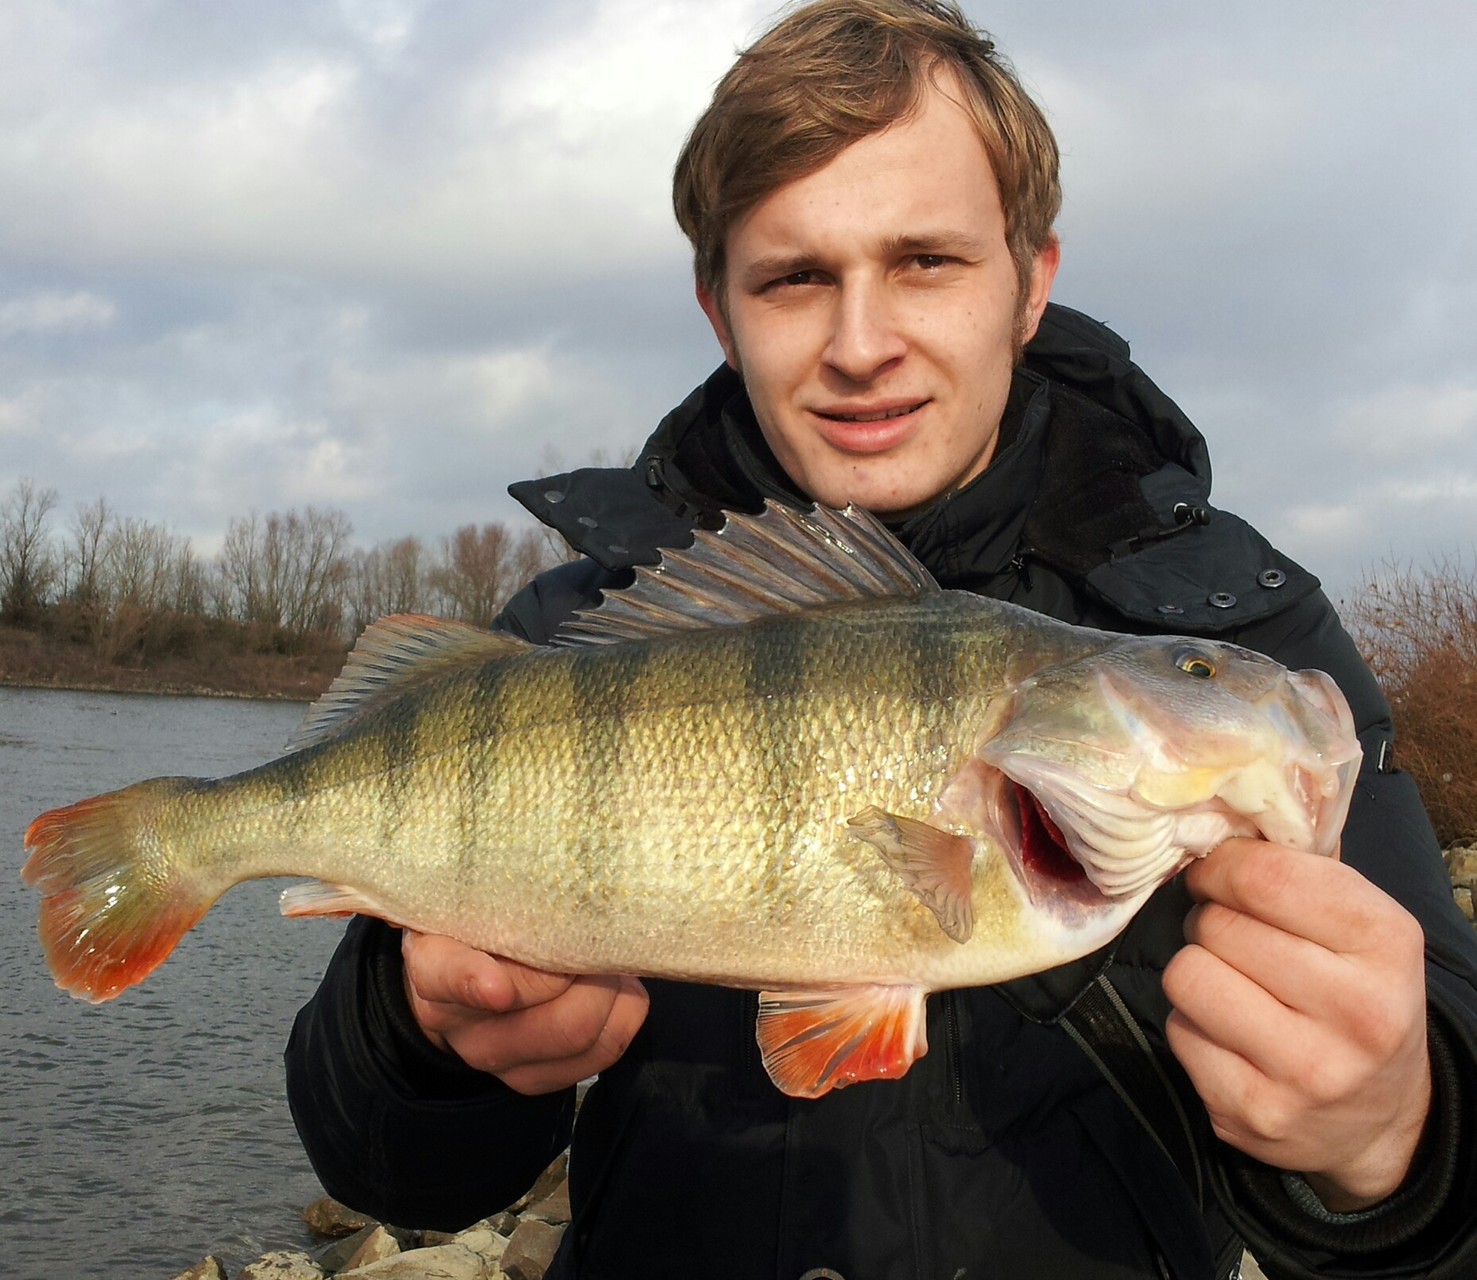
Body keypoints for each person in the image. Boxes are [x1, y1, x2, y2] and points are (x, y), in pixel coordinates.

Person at [284, 2, 1477, 1275]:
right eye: (795, 276)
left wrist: (1392, 1133)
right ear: (717, 306)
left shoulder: (1229, 625)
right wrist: (417, 1036)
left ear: (1031, 282)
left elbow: (1444, 1154)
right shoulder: (582, 642)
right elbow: (390, 1172)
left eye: (927, 261)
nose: (861, 345)